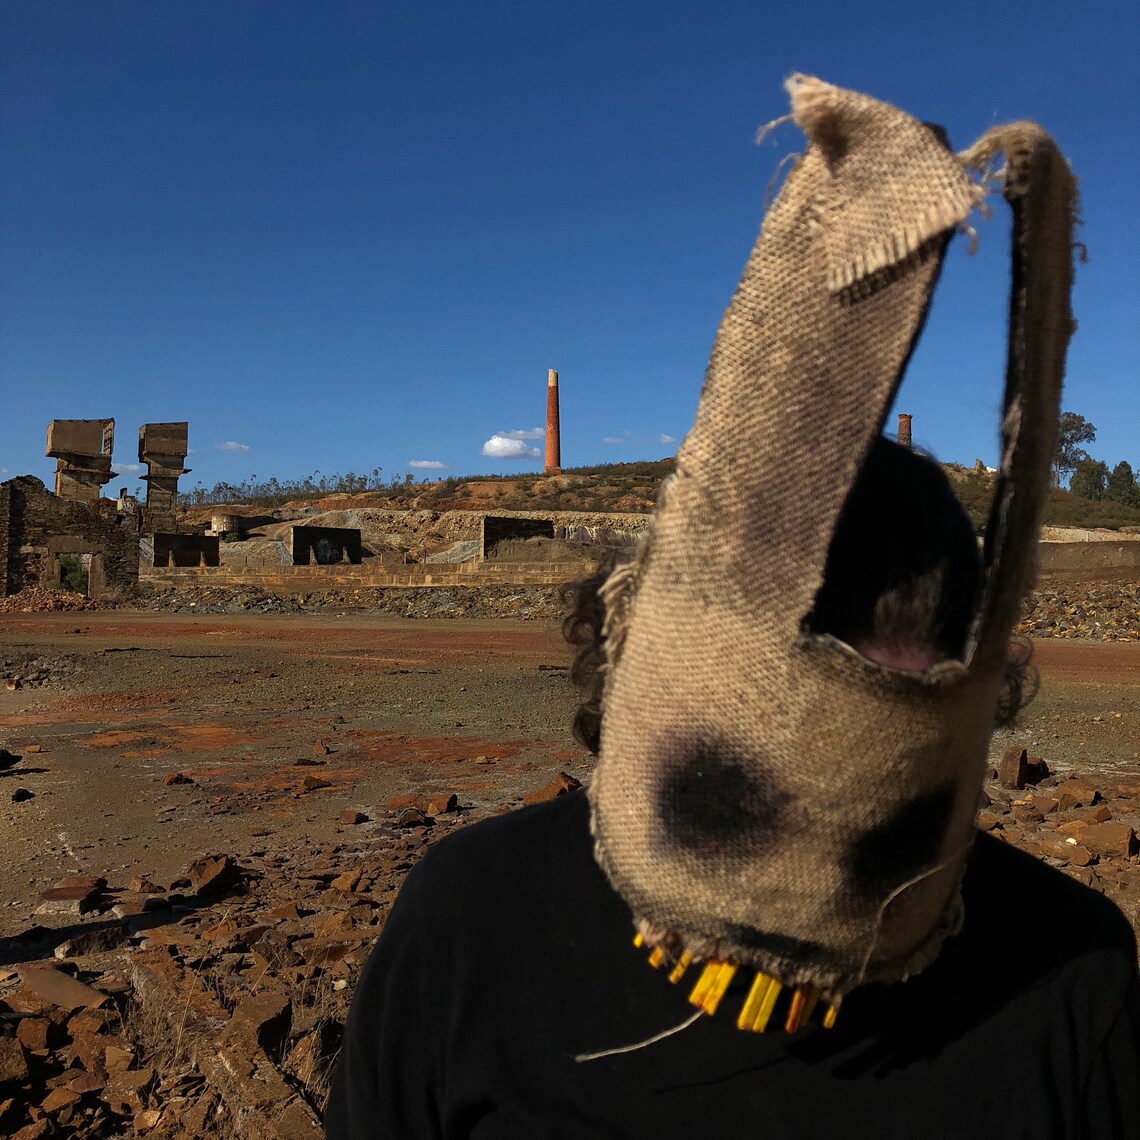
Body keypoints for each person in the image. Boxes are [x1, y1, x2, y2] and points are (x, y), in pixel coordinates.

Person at [326, 79, 1140, 1137]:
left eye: (883, 822)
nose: (802, 890)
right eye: (726, 804)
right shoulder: (473, 923)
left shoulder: (1071, 977)